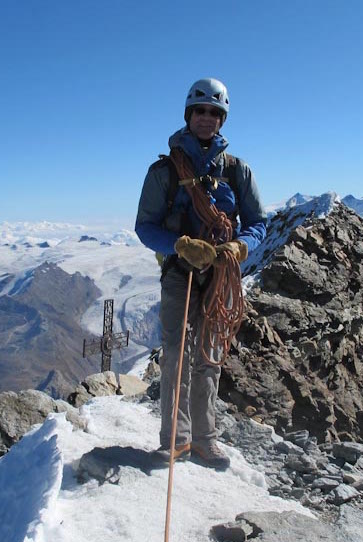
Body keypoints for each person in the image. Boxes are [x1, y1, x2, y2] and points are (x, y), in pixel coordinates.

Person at [135, 78, 267, 469]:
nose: (207, 118)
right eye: (200, 111)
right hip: (180, 272)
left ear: (222, 119)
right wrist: (179, 245)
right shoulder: (164, 171)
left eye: (214, 112)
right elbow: (146, 227)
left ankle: (206, 440)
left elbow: (258, 223)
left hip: (221, 274)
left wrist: (240, 245)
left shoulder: (237, 171)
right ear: (189, 116)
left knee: (209, 357)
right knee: (176, 355)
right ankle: (174, 441)